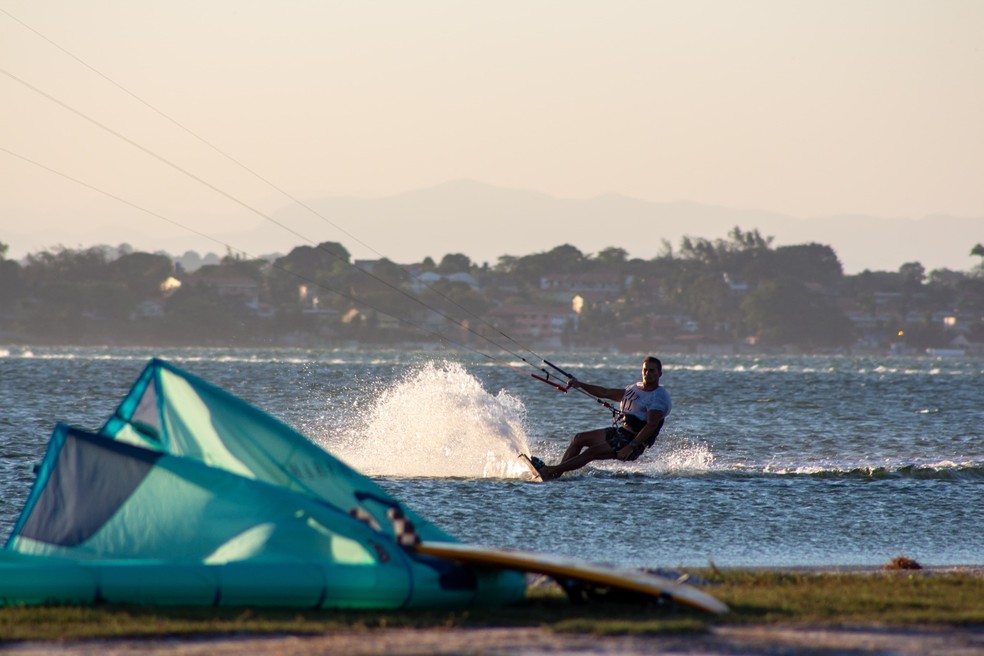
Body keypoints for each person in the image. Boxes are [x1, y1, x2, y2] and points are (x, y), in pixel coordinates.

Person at [534, 356, 671, 480]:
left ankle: (551, 471)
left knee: (591, 452)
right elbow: (605, 392)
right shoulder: (635, 388)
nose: (648, 374)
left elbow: (651, 426)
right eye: (645, 370)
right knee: (579, 439)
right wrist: (580, 384)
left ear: (660, 373)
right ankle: (555, 473)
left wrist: (630, 447)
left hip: (633, 442)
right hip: (621, 433)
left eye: (652, 371)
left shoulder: (659, 397)